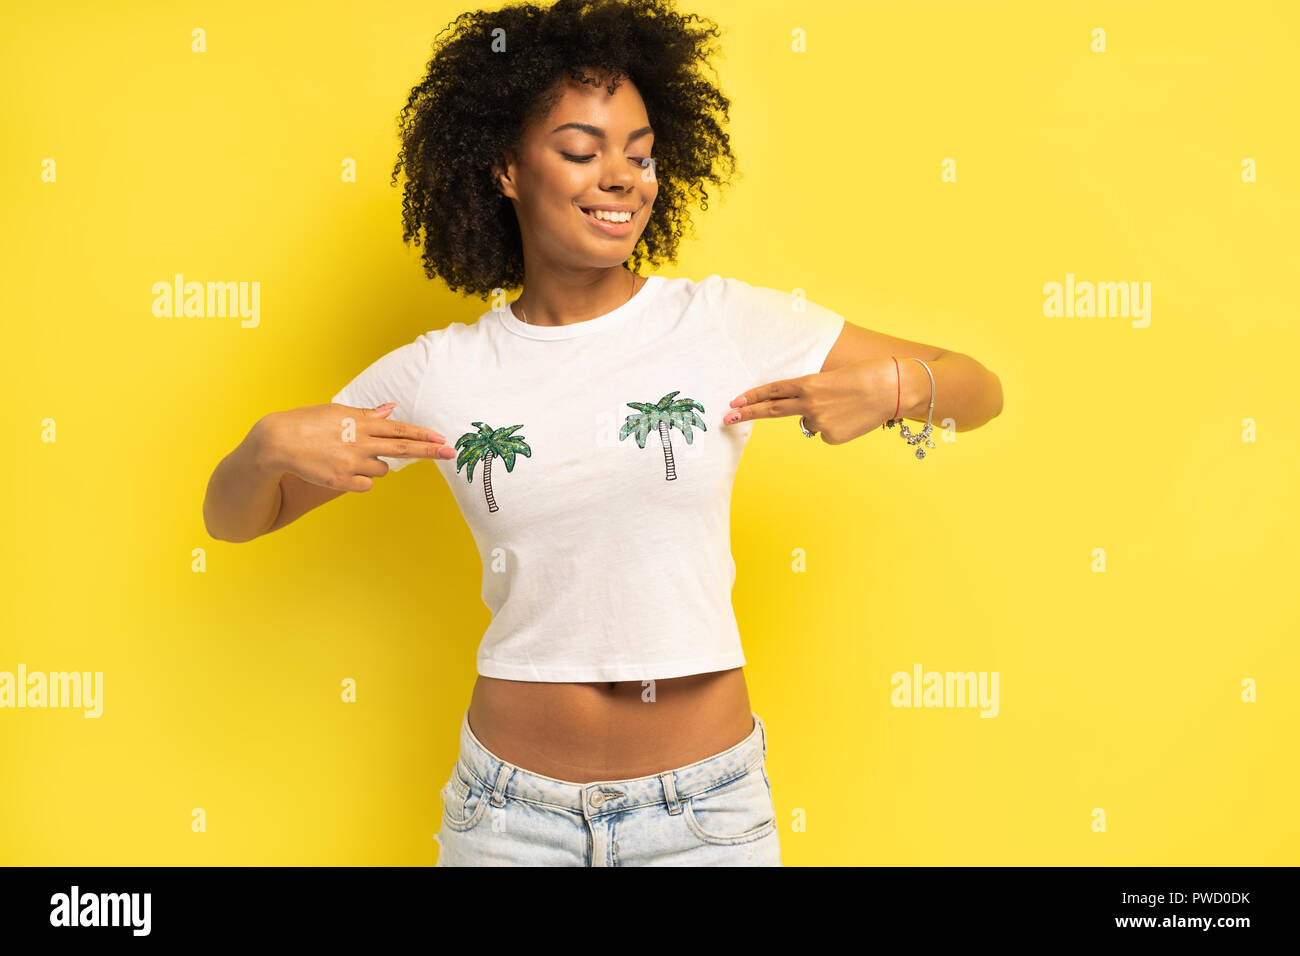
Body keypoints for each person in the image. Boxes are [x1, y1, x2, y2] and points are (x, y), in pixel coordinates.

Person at [202, 0, 1003, 866]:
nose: (623, 176)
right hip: (509, 819)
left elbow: (976, 389)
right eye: (583, 151)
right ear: (507, 169)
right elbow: (237, 516)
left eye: (641, 152)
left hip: (707, 814)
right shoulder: (439, 373)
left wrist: (891, 389)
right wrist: (263, 449)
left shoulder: (722, 322)